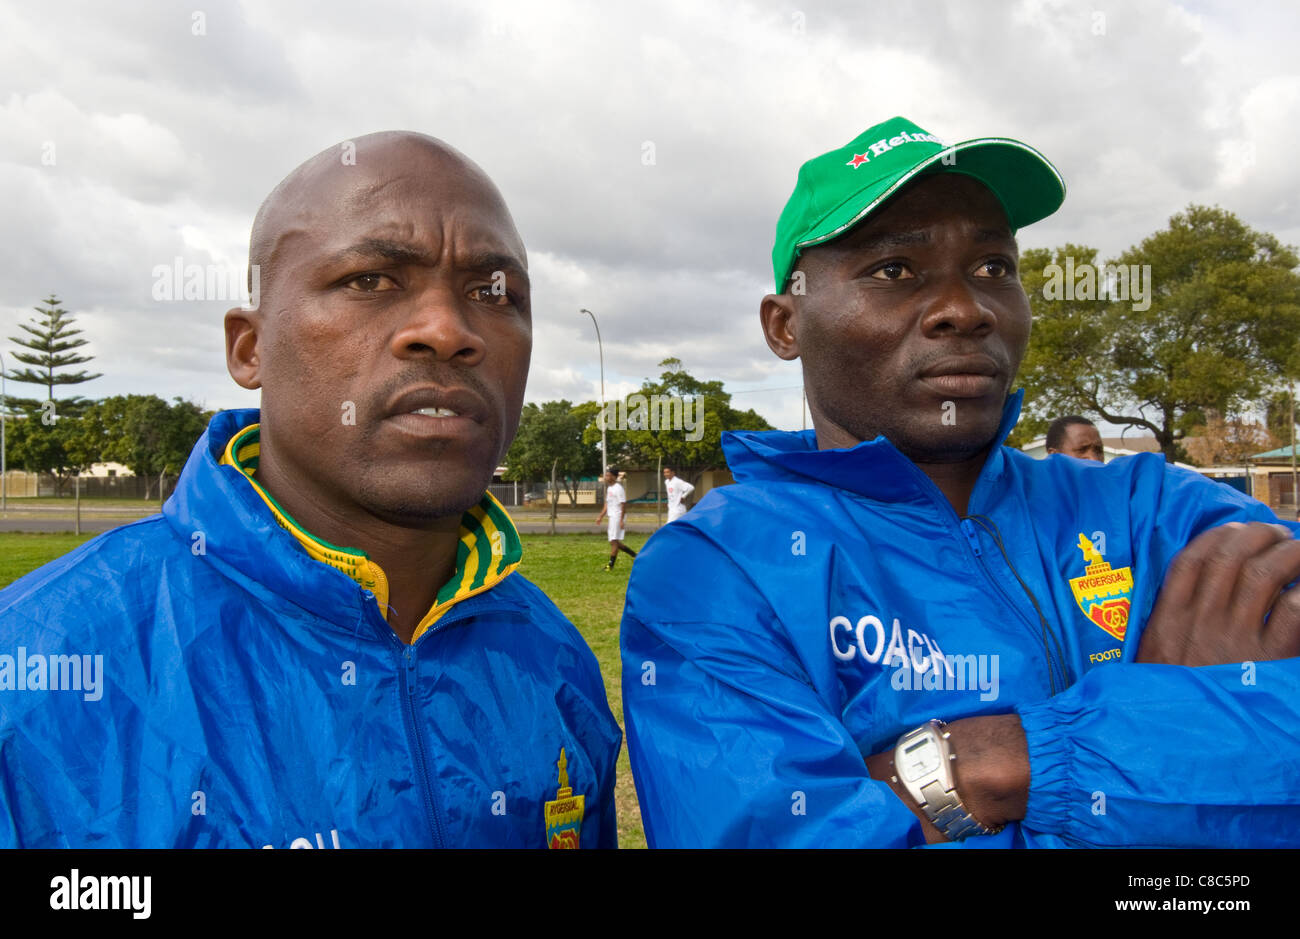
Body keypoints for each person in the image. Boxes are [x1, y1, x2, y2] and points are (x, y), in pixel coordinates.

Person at [620, 115, 1300, 848]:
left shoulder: (1150, 507)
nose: (965, 308)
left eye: (992, 268)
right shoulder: (716, 569)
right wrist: (1182, 731)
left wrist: (1004, 761)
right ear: (785, 325)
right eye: (894, 270)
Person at [0, 131, 621, 848]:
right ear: (249, 346)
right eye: (371, 280)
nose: (448, 330)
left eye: (494, 292)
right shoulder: (39, 677)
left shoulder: (555, 661)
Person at [595, 467, 637, 570]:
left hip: (617, 516)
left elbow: (623, 505)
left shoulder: (619, 489)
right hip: (612, 516)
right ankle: (635, 555)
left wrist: (621, 520)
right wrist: (600, 516)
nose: (606, 477)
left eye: (608, 475)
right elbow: (607, 504)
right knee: (613, 541)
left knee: (614, 541)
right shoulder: (610, 488)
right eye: (606, 475)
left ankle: (610, 565)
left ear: (614, 477)